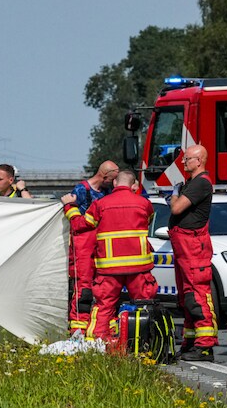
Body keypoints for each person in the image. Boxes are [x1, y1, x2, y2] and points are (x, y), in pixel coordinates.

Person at [61, 170, 157, 341]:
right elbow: (148, 220)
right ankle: (146, 343)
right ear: (133, 184)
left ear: (114, 183)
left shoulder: (101, 204)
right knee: (144, 306)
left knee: (104, 307)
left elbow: (81, 225)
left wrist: (70, 207)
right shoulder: (144, 203)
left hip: (109, 268)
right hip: (139, 268)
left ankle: (96, 343)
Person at [167, 144, 217, 361]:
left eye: (187, 159)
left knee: (197, 294)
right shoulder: (192, 183)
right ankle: (190, 342)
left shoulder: (201, 183)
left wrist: (175, 193)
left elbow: (176, 208)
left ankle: (205, 346)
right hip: (184, 245)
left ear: (199, 161)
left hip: (193, 246)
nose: (183, 162)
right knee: (187, 297)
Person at [64, 161, 118, 336]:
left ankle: (101, 329)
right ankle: (78, 329)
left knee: (104, 289)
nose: (114, 183)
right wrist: (69, 206)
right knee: (84, 290)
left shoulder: (108, 191)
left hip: (102, 246)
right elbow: (75, 221)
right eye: (112, 179)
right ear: (104, 175)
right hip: (84, 247)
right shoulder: (81, 191)